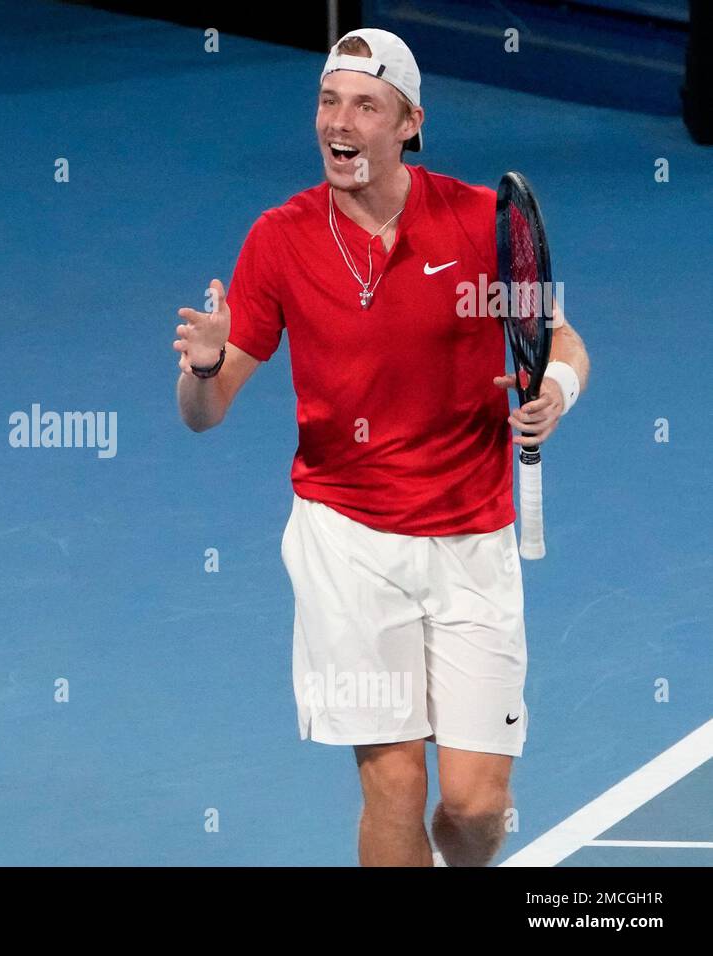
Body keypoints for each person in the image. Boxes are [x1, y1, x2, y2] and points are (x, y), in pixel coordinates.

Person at [173, 29, 590, 866]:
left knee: (475, 809)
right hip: (349, 542)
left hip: (471, 537)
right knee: (393, 784)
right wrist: (208, 361)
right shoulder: (281, 238)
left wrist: (555, 391)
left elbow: (562, 342)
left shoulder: (481, 222)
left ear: (409, 123)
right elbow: (203, 412)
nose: (342, 121)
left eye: (366, 105)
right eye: (329, 101)